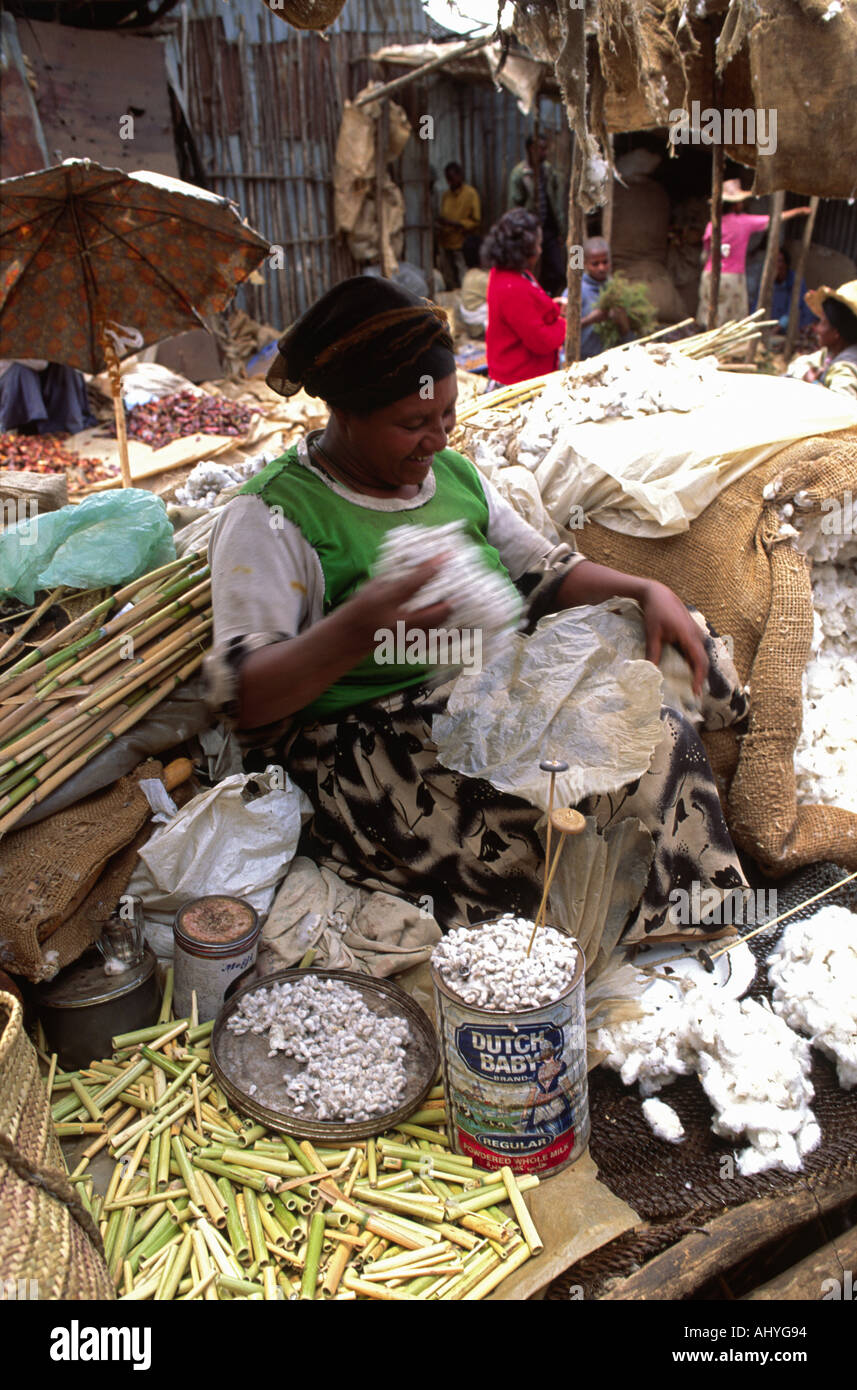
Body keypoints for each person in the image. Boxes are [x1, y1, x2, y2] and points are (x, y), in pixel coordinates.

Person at [205, 275, 751, 947]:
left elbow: (543, 574)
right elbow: (247, 699)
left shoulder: (452, 477)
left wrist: (645, 592)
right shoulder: (272, 516)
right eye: (412, 424)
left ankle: (684, 886)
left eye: (445, 416)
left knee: (672, 658)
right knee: (568, 790)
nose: (436, 438)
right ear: (344, 413)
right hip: (380, 739)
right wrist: (362, 627)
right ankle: (638, 929)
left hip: (486, 680)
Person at [697, 181, 811, 326]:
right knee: (728, 320)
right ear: (736, 205)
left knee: (709, 316)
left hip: (708, 274)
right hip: (730, 278)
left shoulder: (712, 224)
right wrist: (799, 211)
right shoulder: (743, 222)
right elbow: (774, 219)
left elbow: (705, 253)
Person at [484, 210, 566, 387]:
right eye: (537, 245)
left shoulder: (515, 275)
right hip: (518, 383)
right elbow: (540, 341)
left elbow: (526, 314)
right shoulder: (511, 287)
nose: (540, 250)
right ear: (524, 251)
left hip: (525, 375)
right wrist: (565, 324)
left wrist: (553, 307)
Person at [508, 135, 566, 296]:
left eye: (545, 148)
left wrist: (561, 230)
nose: (545, 152)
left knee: (557, 271)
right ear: (530, 149)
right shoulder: (520, 175)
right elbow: (514, 207)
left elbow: (556, 202)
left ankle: (547, 298)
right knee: (529, 272)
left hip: (548, 230)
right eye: (541, 148)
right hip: (530, 231)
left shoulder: (548, 171)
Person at [785, 281, 857, 399]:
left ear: (836, 333)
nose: (817, 329)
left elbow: (844, 410)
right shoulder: (830, 354)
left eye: (822, 323)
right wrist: (804, 374)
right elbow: (799, 364)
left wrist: (814, 385)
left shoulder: (847, 368)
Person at [0, 360, 95, 435]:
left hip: (39, 375)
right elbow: (40, 364)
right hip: (10, 380)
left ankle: (66, 424)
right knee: (22, 372)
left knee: (65, 366)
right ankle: (25, 427)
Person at [578, 237, 631, 360]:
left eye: (605, 262)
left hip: (614, 359)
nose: (601, 268)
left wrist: (623, 323)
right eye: (595, 264)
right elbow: (562, 330)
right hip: (584, 360)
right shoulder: (577, 292)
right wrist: (590, 320)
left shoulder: (617, 290)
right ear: (585, 264)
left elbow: (629, 336)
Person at [436, 162, 481, 291]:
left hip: (461, 244)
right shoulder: (446, 195)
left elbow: (476, 221)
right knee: (449, 280)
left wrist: (457, 224)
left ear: (460, 176)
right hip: (446, 243)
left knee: (464, 278)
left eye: (452, 178)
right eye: (447, 179)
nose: (450, 182)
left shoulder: (471, 194)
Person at [751, 246, 813, 335]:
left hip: (792, 326)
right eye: (774, 261)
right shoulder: (767, 280)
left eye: (779, 261)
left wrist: (776, 329)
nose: (776, 264)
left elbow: (793, 308)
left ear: (786, 264)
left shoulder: (796, 280)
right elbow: (757, 303)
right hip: (772, 322)